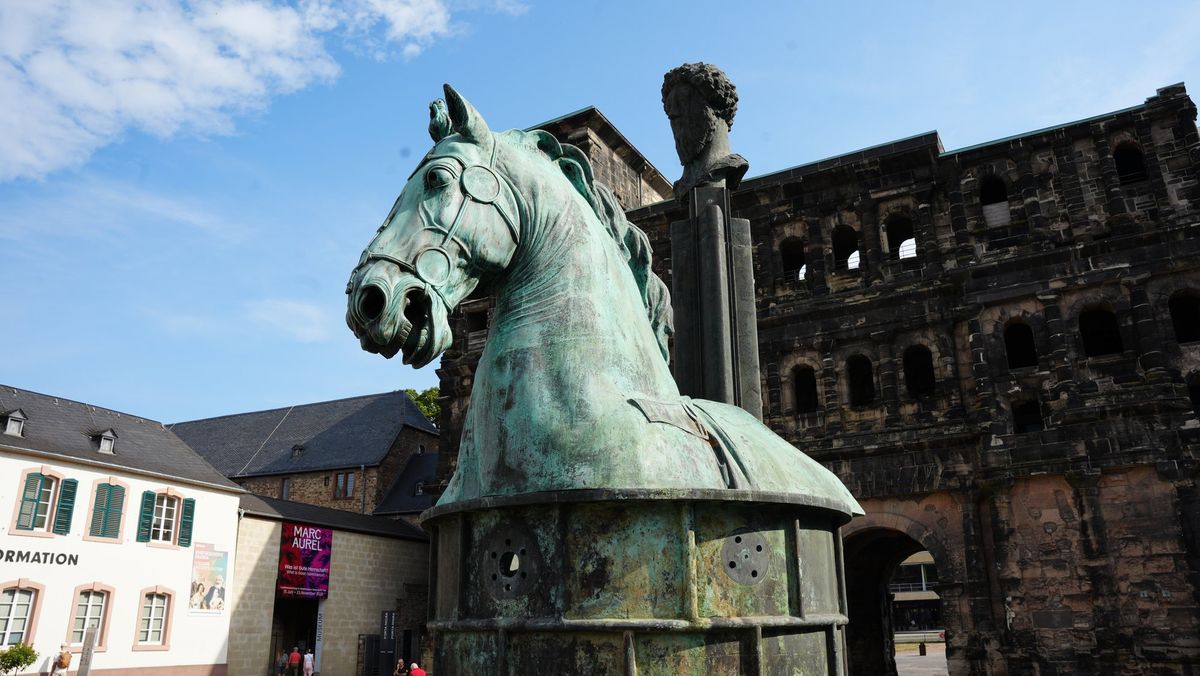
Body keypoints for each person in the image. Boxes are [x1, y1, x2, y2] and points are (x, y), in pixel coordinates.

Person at [661, 62, 749, 198]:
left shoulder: (727, 169)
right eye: (669, 107)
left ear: (715, 108)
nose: (672, 114)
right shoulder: (682, 185)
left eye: (682, 102)